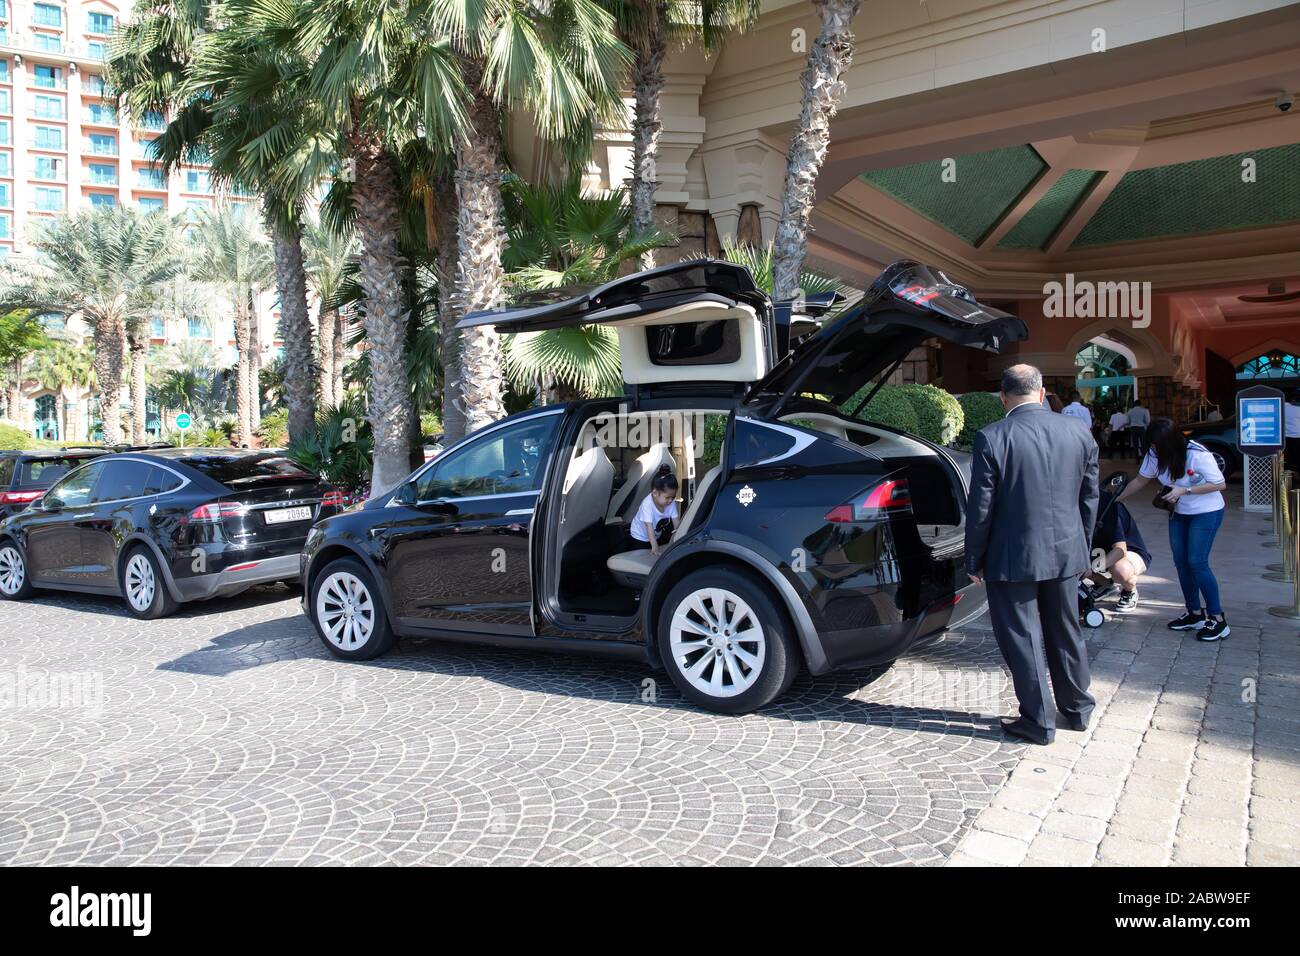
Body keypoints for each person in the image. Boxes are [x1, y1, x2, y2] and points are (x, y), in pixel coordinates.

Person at [966, 364, 1100, 745]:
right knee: (1066, 630)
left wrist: (973, 558)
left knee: (1022, 637)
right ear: (1042, 393)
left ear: (1003, 397)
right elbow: (1090, 497)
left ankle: (1038, 721)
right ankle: (1078, 709)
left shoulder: (992, 437)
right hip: (1066, 552)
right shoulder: (1078, 431)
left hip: (1012, 557)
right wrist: (1083, 548)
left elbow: (981, 508)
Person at [1116, 418, 1229, 640]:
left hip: (1206, 512)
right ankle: (1194, 614)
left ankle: (1218, 619)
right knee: (1182, 563)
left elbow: (1219, 483)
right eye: (1152, 444)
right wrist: (1115, 499)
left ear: (1170, 442)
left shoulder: (1197, 454)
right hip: (1179, 514)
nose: (1153, 448)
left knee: (1197, 562)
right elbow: (1140, 480)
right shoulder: (1154, 454)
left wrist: (1184, 491)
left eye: (1157, 444)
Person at [1086, 498, 1152, 613]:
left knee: (1119, 569)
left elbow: (1120, 551)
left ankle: (1129, 590)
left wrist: (1092, 568)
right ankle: (1104, 585)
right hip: (1100, 552)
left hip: (1130, 554)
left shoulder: (1110, 508)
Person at [629, 467, 680, 556]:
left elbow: (676, 523)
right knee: (643, 557)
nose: (671, 500)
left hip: (656, 535)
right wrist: (655, 547)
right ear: (655, 493)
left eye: (673, 497)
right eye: (667, 497)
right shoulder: (647, 504)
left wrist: (680, 539)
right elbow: (649, 527)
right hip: (640, 536)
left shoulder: (670, 502)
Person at [1284, 389, 1300, 474]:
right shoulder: (1298, 408)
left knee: (1287, 461)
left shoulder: (1283, 406)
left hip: (1285, 438)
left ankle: (1288, 482)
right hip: (1298, 438)